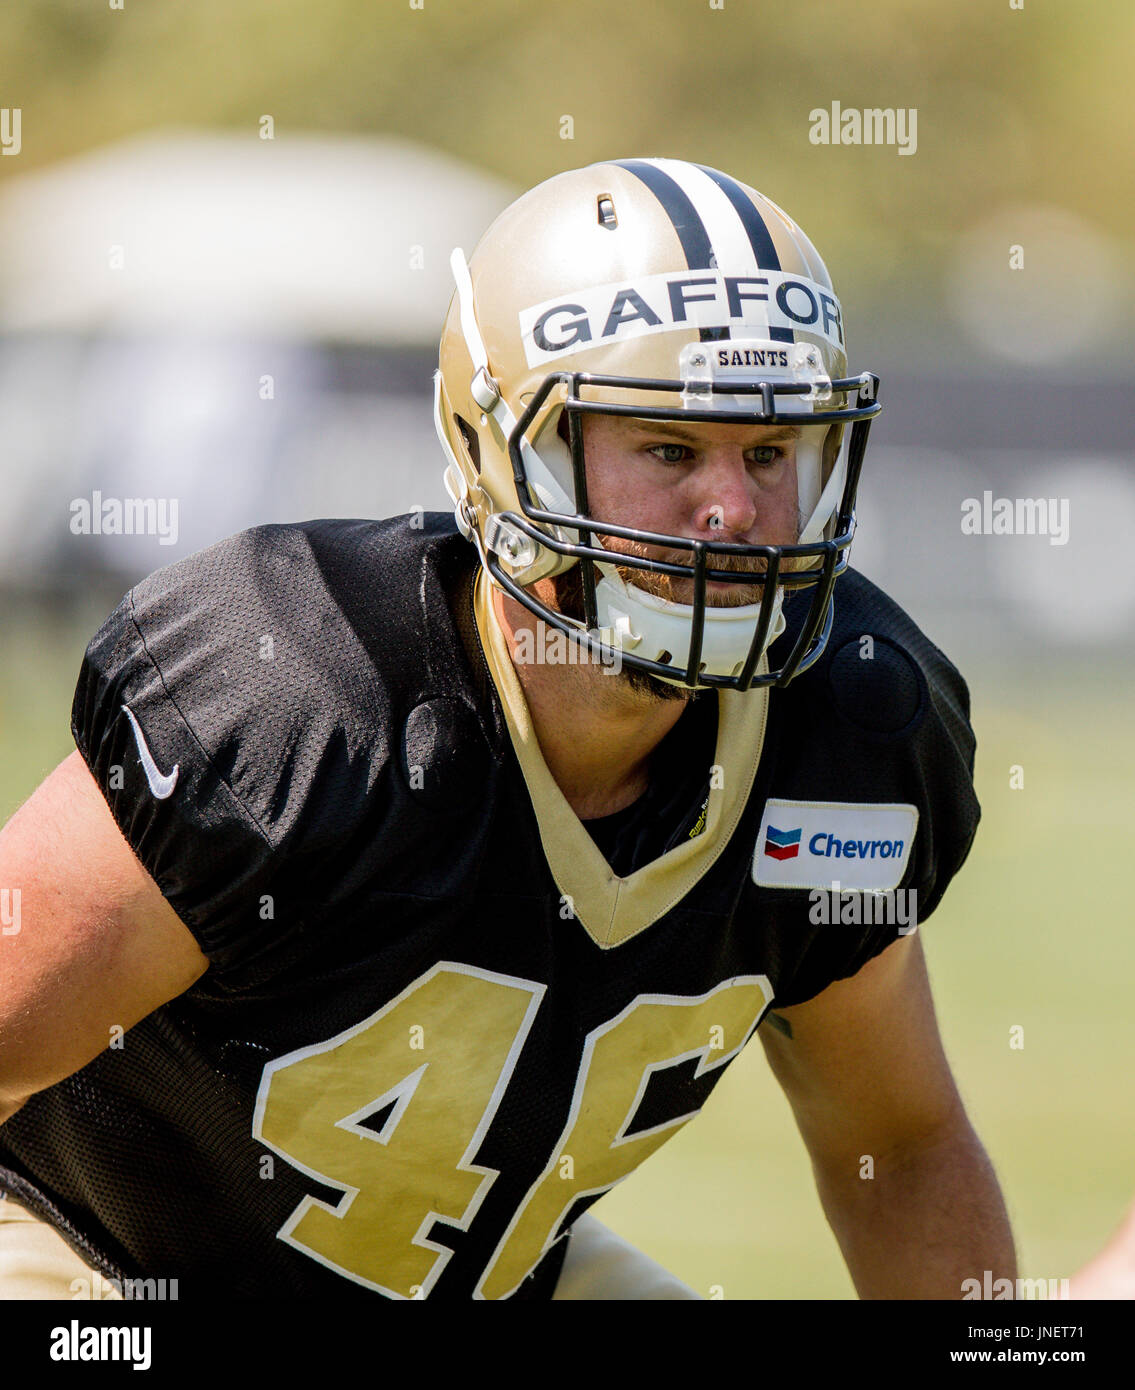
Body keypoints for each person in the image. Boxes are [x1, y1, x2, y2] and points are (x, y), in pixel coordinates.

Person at [0, 157, 1015, 1300]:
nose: (733, 510)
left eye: (770, 452)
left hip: (473, 1274)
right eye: (671, 450)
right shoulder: (303, 696)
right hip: (92, 1259)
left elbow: (902, 1148)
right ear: (500, 456)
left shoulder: (849, 736)